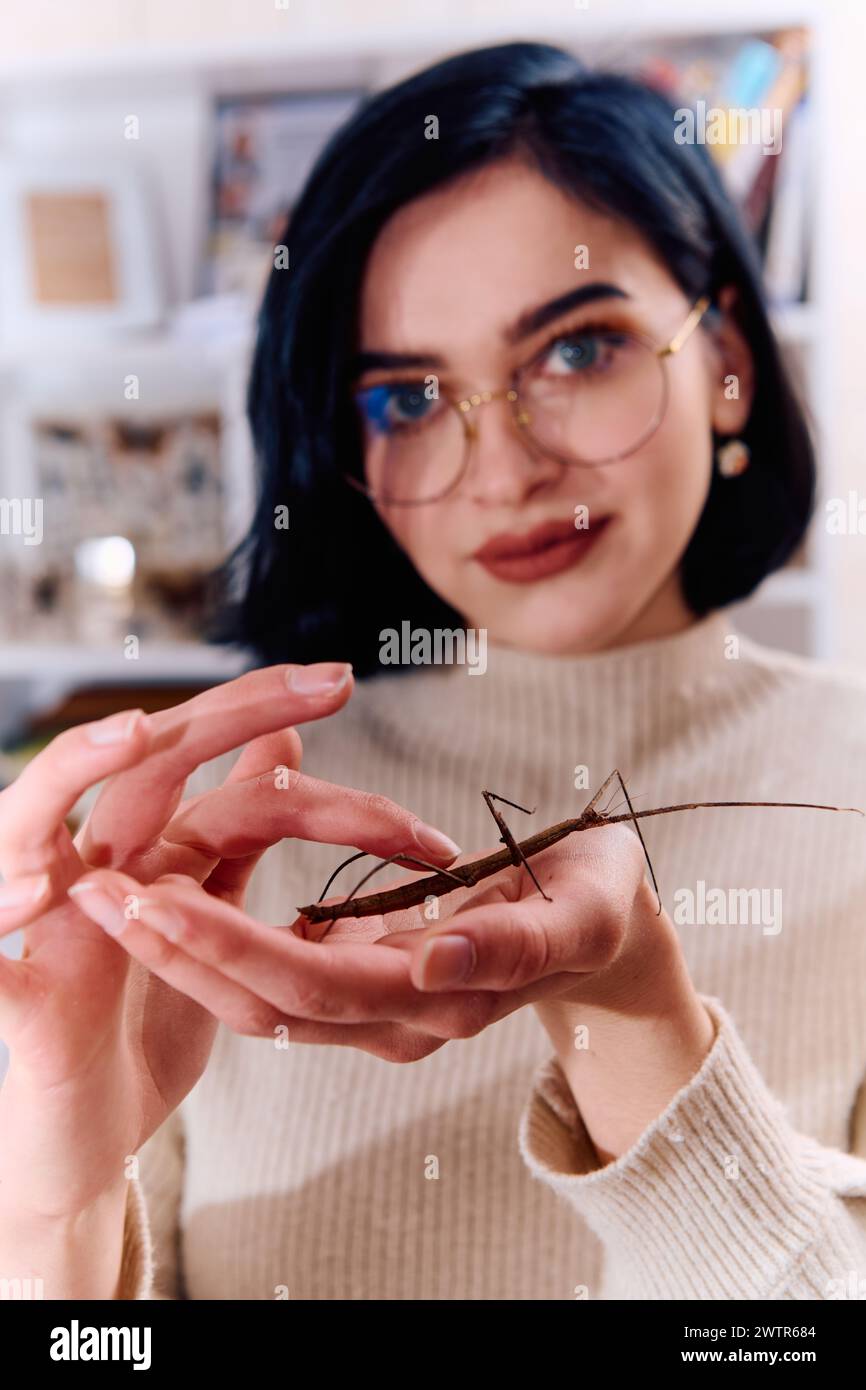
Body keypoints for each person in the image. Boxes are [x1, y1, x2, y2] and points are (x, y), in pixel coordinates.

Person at [2, 42, 865, 1302]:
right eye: (408, 398)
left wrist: (630, 1011)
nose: (504, 470)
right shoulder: (222, 832)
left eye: (574, 351)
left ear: (727, 365)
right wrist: (51, 1211)